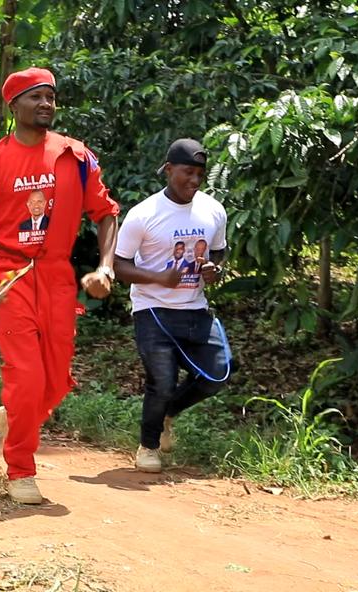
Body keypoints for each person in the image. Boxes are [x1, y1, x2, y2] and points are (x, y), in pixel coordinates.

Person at [0, 67, 120, 504]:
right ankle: (20, 468)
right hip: (9, 276)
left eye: (50, 96)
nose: (46, 103)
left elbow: (106, 213)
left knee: (57, 380)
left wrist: (105, 268)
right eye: (35, 97)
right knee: (26, 376)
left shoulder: (75, 155)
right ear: (14, 106)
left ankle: (17, 417)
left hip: (59, 277)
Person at [113, 138, 231, 473]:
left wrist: (215, 270)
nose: (194, 181)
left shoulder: (213, 210)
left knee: (217, 376)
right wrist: (157, 278)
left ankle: (168, 413)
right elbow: (119, 265)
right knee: (161, 382)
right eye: (187, 172)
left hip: (195, 309)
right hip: (152, 310)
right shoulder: (144, 214)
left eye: (199, 174)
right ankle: (148, 447)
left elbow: (218, 250)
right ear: (168, 170)